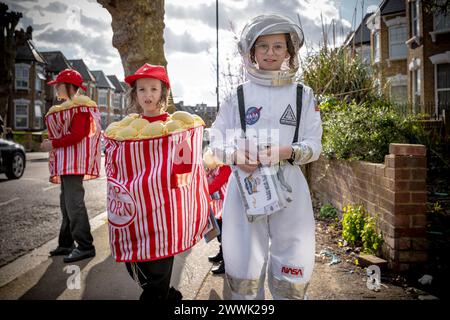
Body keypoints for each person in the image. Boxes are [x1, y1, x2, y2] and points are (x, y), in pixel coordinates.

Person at [210, 14, 323, 300]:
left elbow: (314, 143)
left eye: (277, 46)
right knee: (243, 260)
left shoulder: (303, 95)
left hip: (290, 188)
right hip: (247, 186)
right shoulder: (237, 96)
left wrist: (288, 151)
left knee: (293, 256)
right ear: (252, 51)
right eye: (263, 46)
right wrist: (235, 155)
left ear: (289, 51)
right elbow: (216, 138)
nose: (270, 53)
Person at [104, 63, 208, 300]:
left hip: (165, 214)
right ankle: (170, 296)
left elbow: (185, 169)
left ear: (163, 92)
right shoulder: (126, 128)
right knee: (135, 267)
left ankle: (162, 295)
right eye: (142, 90)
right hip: (136, 213)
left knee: (156, 277)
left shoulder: (176, 128)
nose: (148, 95)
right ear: (135, 94)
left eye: (153, 89)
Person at [41, 69, 101, 263]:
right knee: (66, 204)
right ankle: (66, 243)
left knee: (74, 204)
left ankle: (85, 246)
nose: (56, 88)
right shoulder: (70, 107)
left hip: (73, 163)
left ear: (68, 87)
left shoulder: (81, 107)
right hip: (66, 163)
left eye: (58, 85)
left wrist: (53, 143)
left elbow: (78, 135)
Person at [203, 148, 231, 274]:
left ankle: (227, 262)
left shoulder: (226, 168)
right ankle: (222, 252)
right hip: (218, 205)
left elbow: (217, 184)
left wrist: (203, 191)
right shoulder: (214, 168)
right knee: (219, 232)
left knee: (226, 235)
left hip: (227, 205)